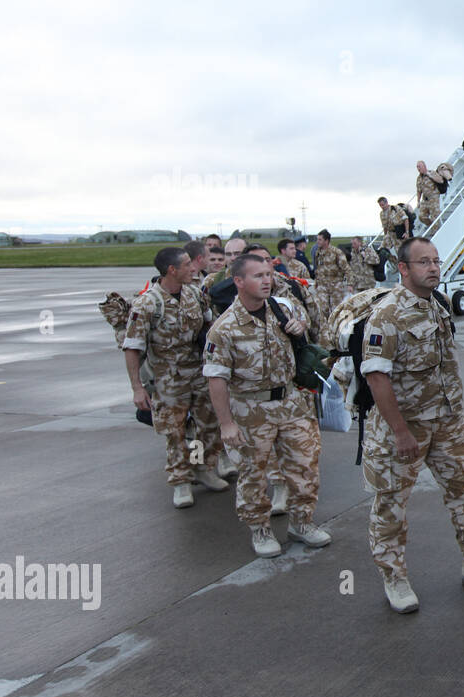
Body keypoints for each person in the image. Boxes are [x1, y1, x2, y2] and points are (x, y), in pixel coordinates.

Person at [361, 237, 464, 611]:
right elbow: (377, 377)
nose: (433, 268)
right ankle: (394, 577)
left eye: (436, 261)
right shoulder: (387, 315)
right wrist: (400, 432)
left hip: (447, 422)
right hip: (405, 426)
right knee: (391, 505)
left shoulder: (437, 304)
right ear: (403, 269)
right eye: (423, 263)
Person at [203, 253, 332, 557]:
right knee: (253, 473)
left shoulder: (280, 310)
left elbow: (303, 337)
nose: (266, 280)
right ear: (238, 281)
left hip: (291, 403)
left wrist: (299, 330)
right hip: (251, 409)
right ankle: (259, 529)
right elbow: (216, 380)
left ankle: (302, 523)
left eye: (268, 274)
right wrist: (226, 424)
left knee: (305, 466)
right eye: (258, 275)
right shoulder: (224, 329)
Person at [122, 247, 229, 508]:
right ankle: (180, 481)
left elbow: (210, 327)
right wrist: (137, 388)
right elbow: (132, 347)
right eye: (186, 265)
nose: (193, 269)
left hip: (198, 374)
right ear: (172, 270)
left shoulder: (194, 294)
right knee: (175, 432)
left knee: (205, 426)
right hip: (168, 380)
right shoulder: (147, 303)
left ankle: (202, 469)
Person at [313, 229, 351, 320]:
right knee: (322, 309)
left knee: (336, 310)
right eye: (317, 239)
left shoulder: (336, 252)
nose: (317, 242)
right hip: (322, 285)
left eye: (320, 239)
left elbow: (347, 269)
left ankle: (336, 328)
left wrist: (350, 284)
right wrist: (317, 283)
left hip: (335, 286)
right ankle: (325, 329)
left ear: (326, 241)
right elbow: (318, 268)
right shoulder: (318, 252)